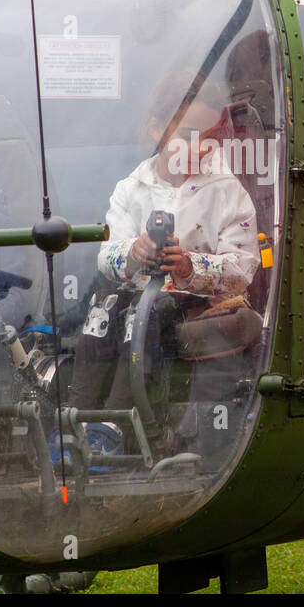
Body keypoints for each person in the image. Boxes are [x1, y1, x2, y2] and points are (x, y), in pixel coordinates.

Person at [70, 75, 260, 428]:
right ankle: (75, 419)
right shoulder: (131, 188)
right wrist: (133, 252)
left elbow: (243, 266)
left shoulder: (227, 192)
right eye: (190, 135)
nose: (202, 147)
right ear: (155, 129)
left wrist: (190, 267)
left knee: (144, 316)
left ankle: (115, 423)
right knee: (103, 308)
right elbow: (107, 254)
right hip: (135, 300)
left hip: (196, 306)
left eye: (211, 138)